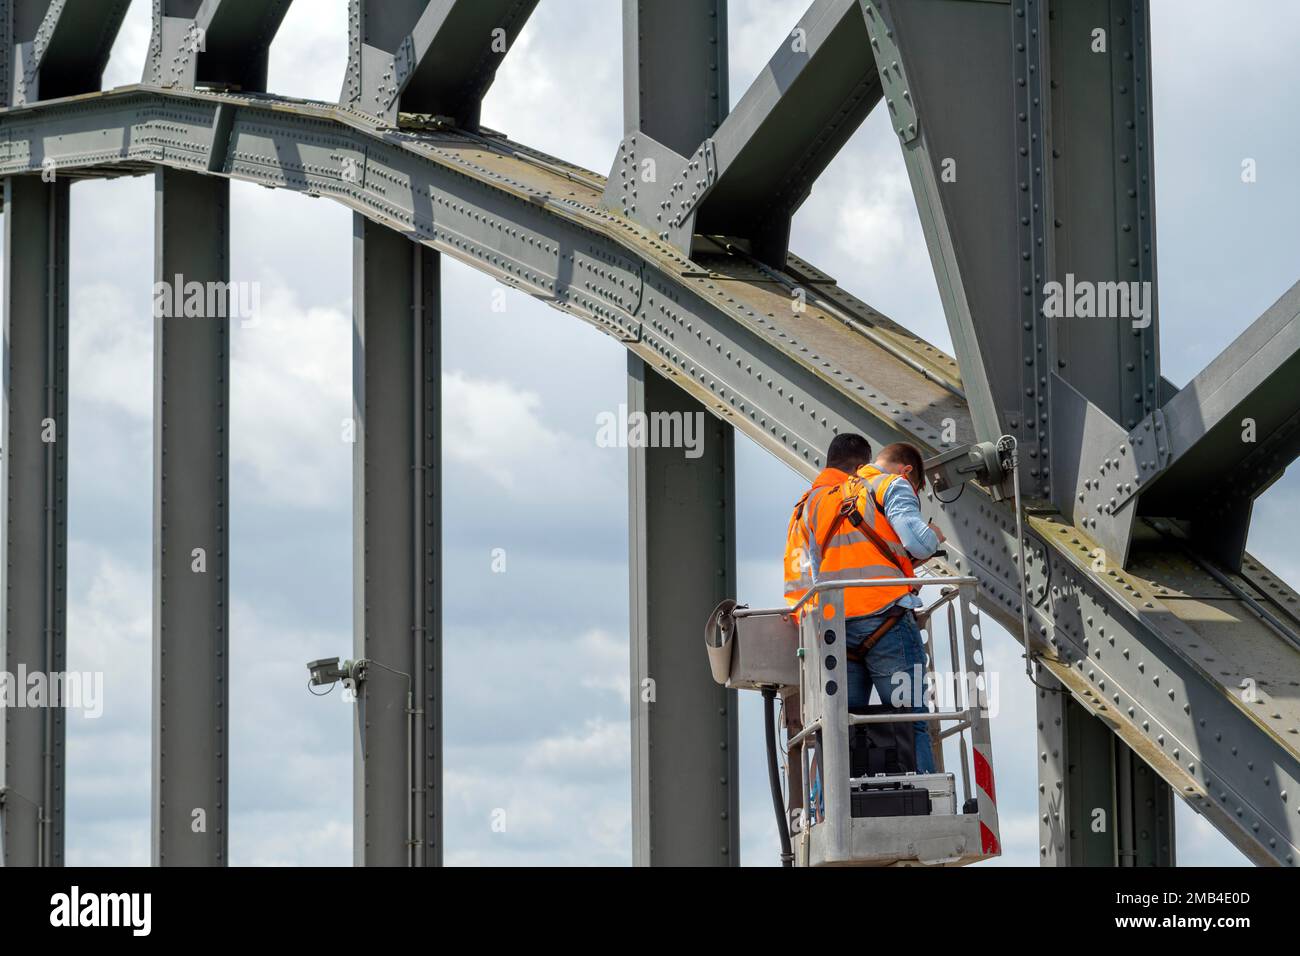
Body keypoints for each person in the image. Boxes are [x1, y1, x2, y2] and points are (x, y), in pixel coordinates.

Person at [783, 436, 945, 774]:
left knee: (838, 728)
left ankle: (830, 807)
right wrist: (934, 538)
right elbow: (915, 540)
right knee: (910, 719)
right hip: (886, 619)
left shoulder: (815, 503)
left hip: (835, 628)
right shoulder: (889, 485)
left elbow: (818, 569)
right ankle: (925, 801)